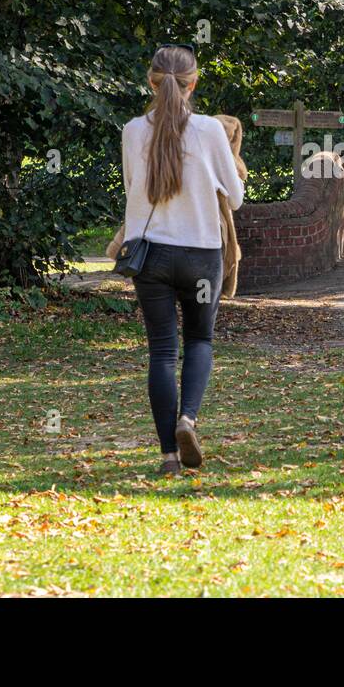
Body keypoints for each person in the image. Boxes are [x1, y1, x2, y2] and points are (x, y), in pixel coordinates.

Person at [122, 45, 244, 476]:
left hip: (150, 255)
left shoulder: (133, 130)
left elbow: (132, 189)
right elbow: (236, 196)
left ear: (151, 81)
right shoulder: (211, 131)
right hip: (201, 255)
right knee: (200, 341)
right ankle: (188, 419)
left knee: (160, 352)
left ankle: (168, 457)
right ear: (193, 83)